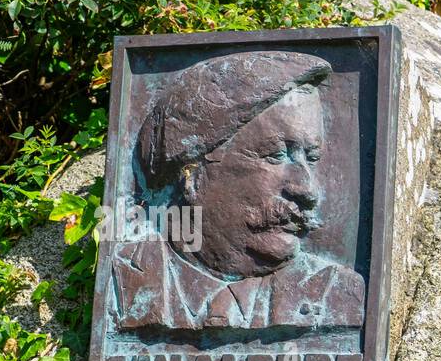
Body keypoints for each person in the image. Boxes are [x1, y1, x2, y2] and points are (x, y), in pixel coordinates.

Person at [112, 50, 365, 331]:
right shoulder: (120, 283)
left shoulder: (336, 294)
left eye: (312, 158)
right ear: (192, 176)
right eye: (277, 155)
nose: (308, 190)